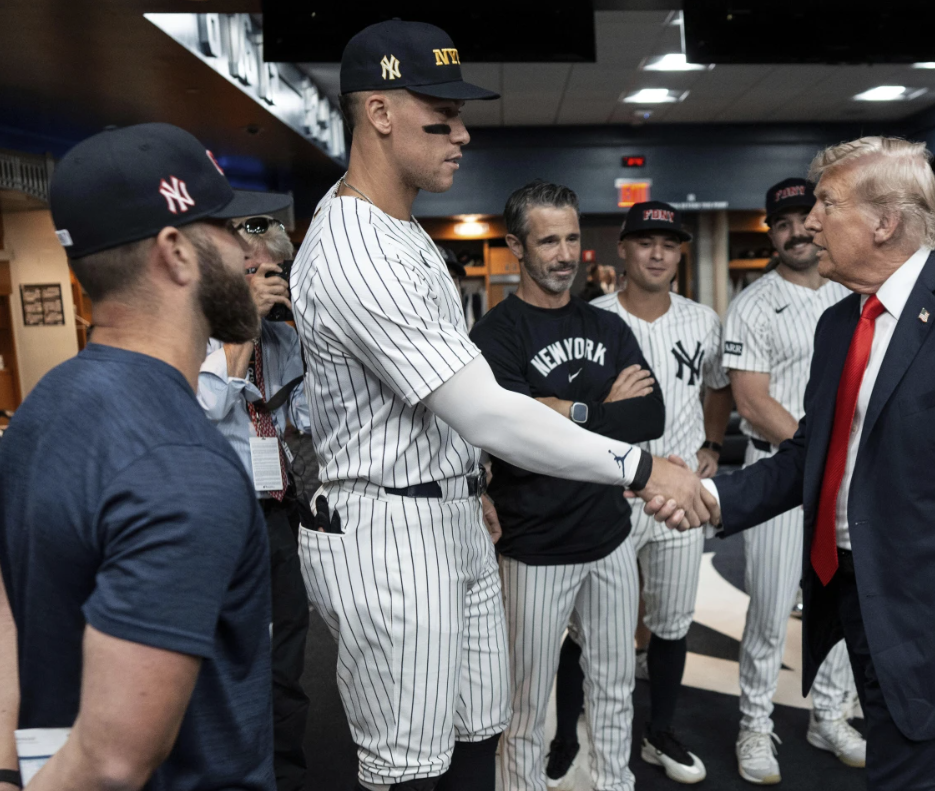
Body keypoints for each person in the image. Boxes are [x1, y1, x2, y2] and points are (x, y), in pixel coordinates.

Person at [290, 20, 705, 791]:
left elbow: (460, 412)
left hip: (452, 511)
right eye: (440, 117)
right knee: (412, 765)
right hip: (387, 530)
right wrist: (643, 465)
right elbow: (489, 411)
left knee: (485, 729)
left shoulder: (402, 227)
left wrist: (470, 482)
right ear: (379, 113)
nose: (463, 134)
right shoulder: (355, 248)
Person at [652, 137, 935, 791]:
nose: (810, 221)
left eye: (826, 203)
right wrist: (712, 496)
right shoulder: (840, 323)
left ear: (886, 220)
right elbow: (812, 455)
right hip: (861, 601)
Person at [0, 123, 292, 790]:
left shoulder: (45, 406)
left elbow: (9, 601)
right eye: (226, 228)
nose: (249, 250)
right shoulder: (182, 464)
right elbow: (113, 758)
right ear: (176, 252)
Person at [470, 182, 665, 791]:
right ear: (516, 247)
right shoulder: (495, 337)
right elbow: (514, 436)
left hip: (608, 537)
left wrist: (565, 409)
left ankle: (614, 783)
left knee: (614, 688)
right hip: (533, 546)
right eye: (548, 239)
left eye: (572, 238)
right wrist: (599, 404)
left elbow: (649, 417)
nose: (563, 253)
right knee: (525, 706)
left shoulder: (604, 324)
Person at [546, 201, 734, 787]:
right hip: (610, 493)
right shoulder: (589, 318)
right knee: (585, 628)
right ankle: (566, 734)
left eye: (670, 243)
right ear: (622, 251)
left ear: (680, 253)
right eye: (646, 241)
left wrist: (714, 444)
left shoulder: (702, 319)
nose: (658, 252)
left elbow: (719, 388)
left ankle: (661, 732)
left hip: (677, 493)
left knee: (673, 621)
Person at [722, 178, 864, 782]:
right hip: (780, 473)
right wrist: (818, 456)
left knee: (841, 599)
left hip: (850, 480)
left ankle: (829, 713)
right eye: (782, 224)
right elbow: (752, 403)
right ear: (771, 235)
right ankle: (755, 723)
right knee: (771, 606)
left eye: (806, 218)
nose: (797, 230)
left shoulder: (856, 295)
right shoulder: (753, 304)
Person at [197, 215, 311, 790]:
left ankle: (284, 772)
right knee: (230, 655)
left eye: (271, 271)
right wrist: (243, 322)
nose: (262, 281)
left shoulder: (286, 340)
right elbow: (207, 409)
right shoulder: (198, 337)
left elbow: (307, 421)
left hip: (278, 512)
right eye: (249, 270)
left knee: (289, 653)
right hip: (222, 517)